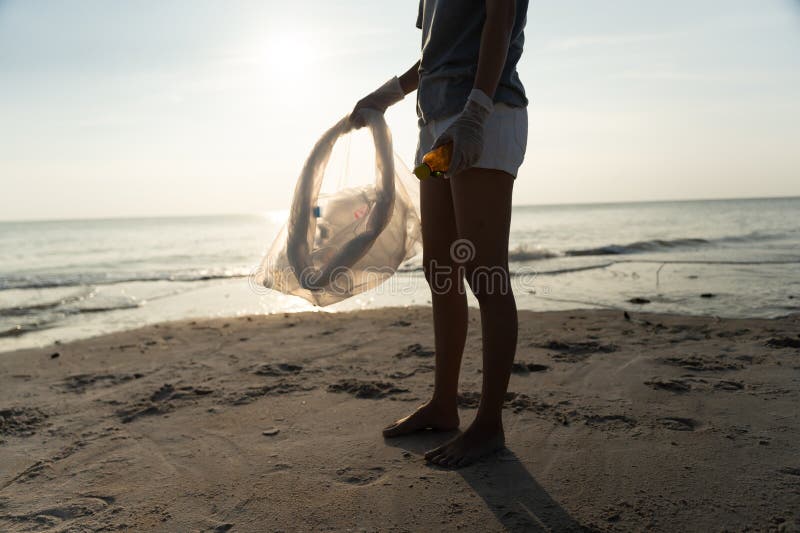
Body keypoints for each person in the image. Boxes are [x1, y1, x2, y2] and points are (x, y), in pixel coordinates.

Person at [350, 0, 529, 468]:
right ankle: (444, 403)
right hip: (433, 126)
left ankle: (488, 424)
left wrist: (476, 113)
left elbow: (501, 20)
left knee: (485, 273)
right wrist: (384, 96)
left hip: (484, 115)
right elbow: (434, 55)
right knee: (440, 269)